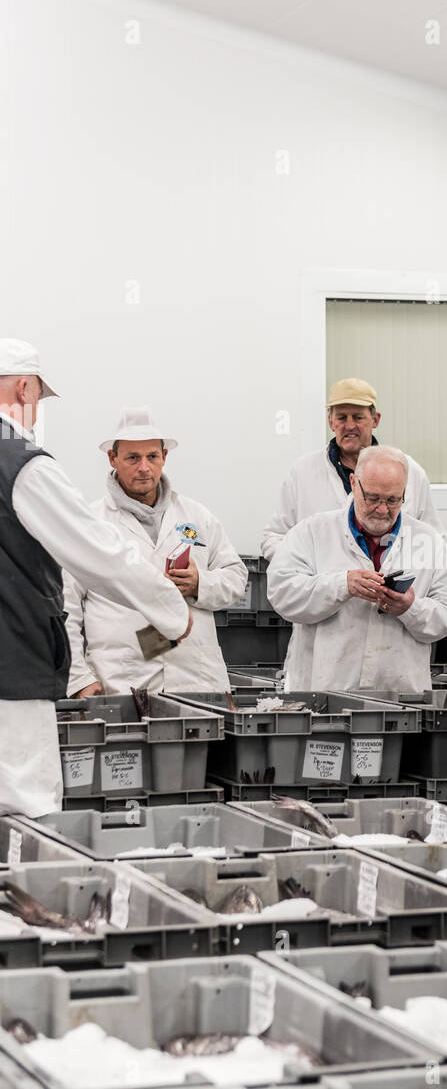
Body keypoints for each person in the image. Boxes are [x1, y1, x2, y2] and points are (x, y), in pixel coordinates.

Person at [0, 342, 192, 817]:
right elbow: (99, 554)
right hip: (13, 671)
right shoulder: (20, 462)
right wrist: (170, 610)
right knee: (26, 812)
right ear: (25, 386)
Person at [63, 408, 248, 696]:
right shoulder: (89, 524)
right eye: (133, 458)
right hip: (121, 683)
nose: (144, 468)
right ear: (112, 459)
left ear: (164, 456)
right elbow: (66, 608)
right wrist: (79, 680)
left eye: (152, 456)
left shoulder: (196, 516)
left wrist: (202, 583)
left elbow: (236, 576)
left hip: (198, 682)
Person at [267, 445, 447, 691]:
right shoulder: (312, 532)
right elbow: (281, 593)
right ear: (353, 482)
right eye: (372, 498)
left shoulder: (428, 540)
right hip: (323, 692)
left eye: (393, 500)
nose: (382, 509)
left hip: (399, 698)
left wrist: (410, 608)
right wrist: (342, 584)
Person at [260, 378, 440, 559]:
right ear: (331, 422)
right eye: (341, 417)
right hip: (324, 586)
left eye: (358, 417)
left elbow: (433, 540)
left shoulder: (410, 472)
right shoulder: (302, 473)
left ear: (375, 420)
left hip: (392, 586)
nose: (349, 425)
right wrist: (308, 569)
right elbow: (274, 538)